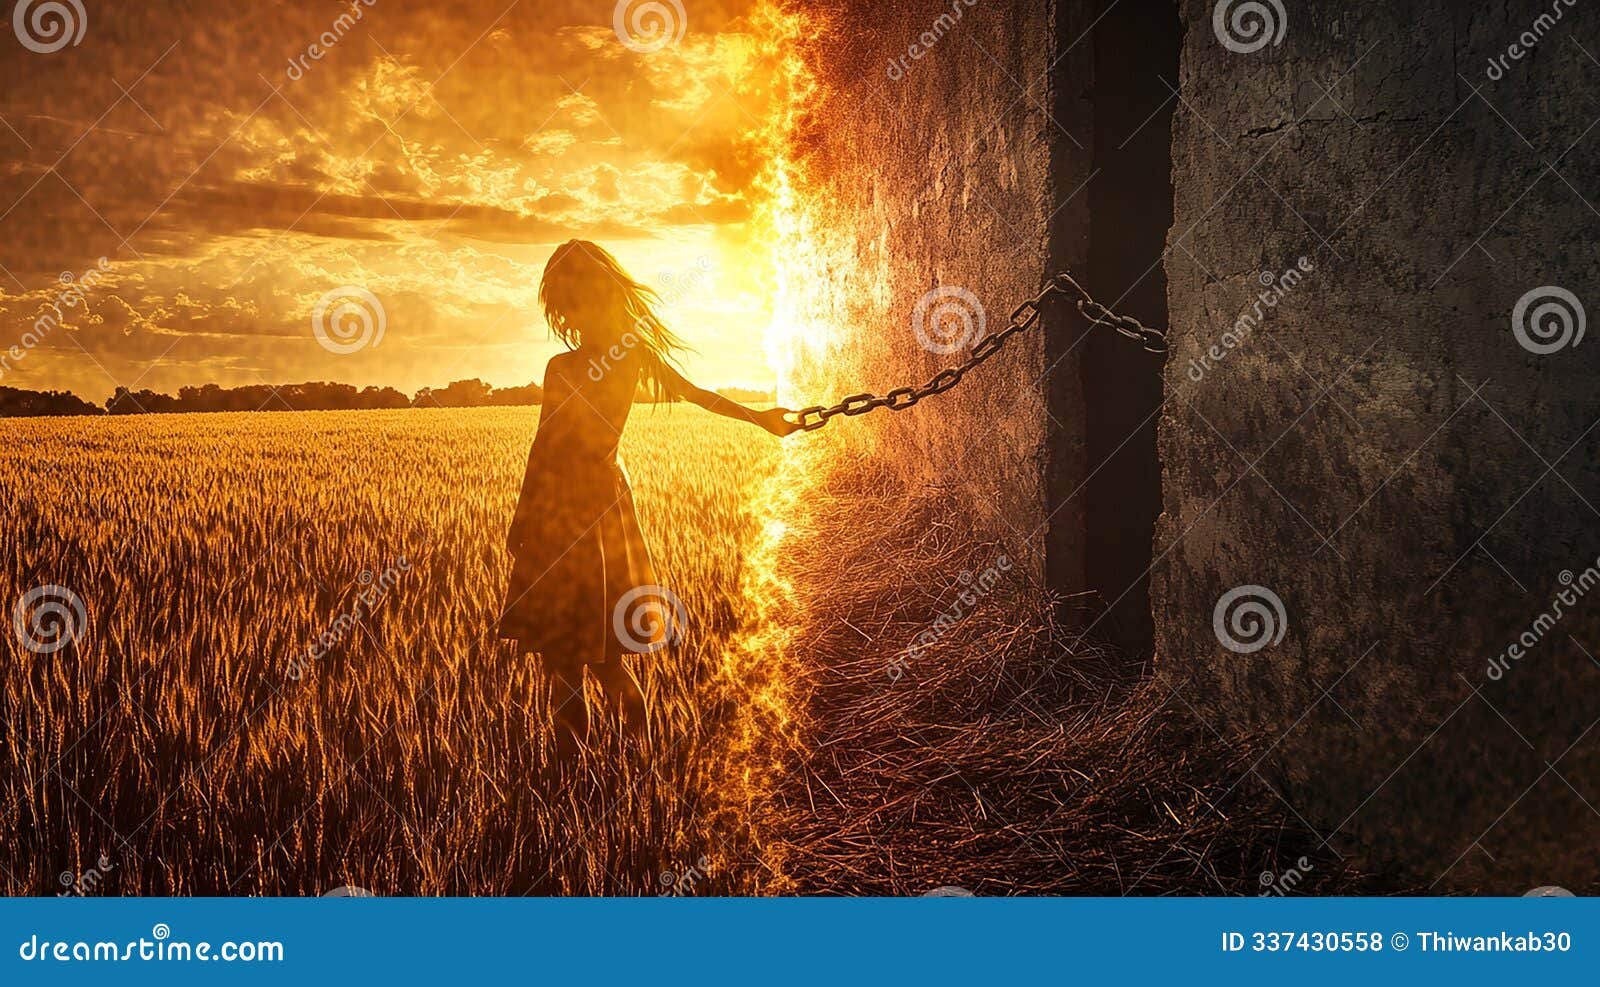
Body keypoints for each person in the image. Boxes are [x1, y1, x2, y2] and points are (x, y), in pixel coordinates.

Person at [500, 240, 799, 761]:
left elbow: (544, 447)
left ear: (567, 306)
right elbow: (699, 395)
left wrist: (522, 519)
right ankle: (646, 762)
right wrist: (762, 419)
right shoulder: (632, 354)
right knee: (606, 659)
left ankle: (574, 776)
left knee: (563, 660)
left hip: (560, 512)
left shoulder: (562, 367)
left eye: (566, 302)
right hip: (607, 504)